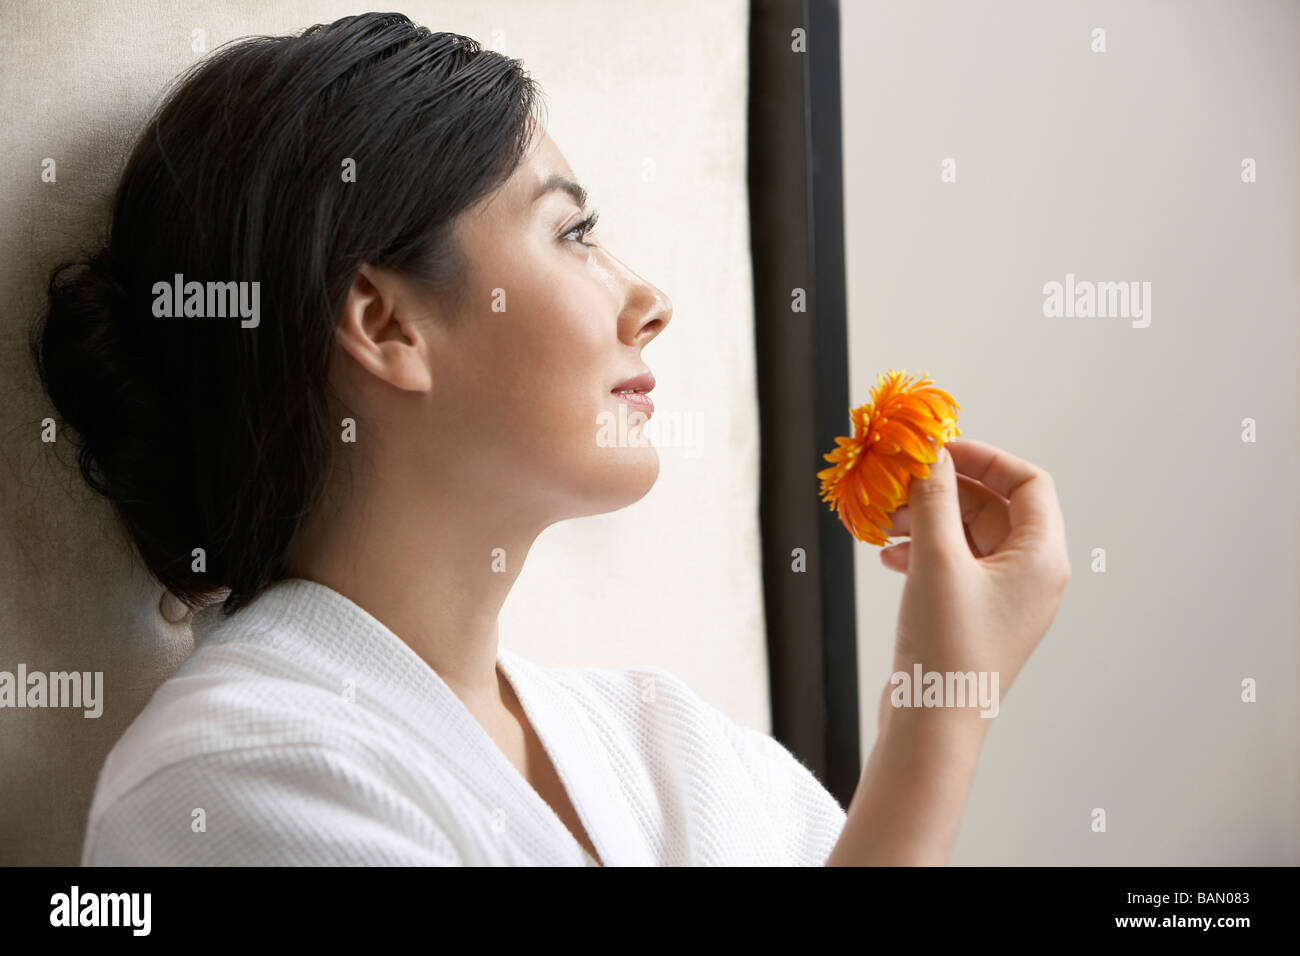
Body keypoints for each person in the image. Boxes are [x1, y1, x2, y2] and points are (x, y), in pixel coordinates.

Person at [31, 12, 1069, 866]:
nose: (650, 299)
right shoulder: (231, 781)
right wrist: (938, 717)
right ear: (387, 325)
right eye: (574, 233)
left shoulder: (676, 748)